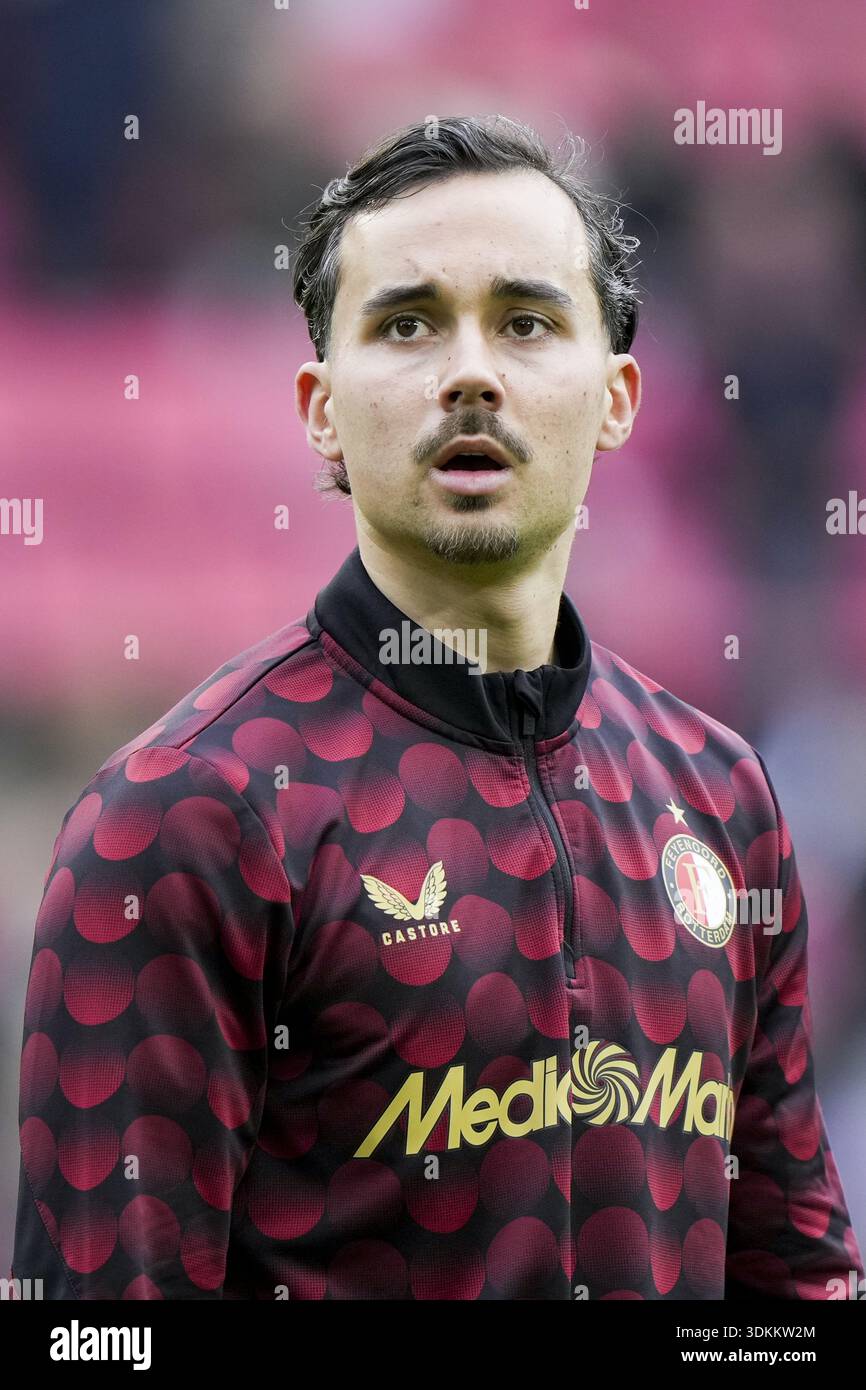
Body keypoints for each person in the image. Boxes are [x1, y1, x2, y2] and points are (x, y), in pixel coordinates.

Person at [11, 115, 863, 1300]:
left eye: (524, 321)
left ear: (616, 396)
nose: (470, 370)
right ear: (319, 407)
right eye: (407, 323)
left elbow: (794, 1280)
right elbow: (98, 1331)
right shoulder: (179, 823)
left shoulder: (721, 796)